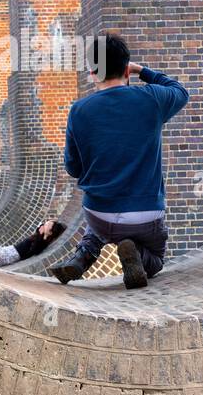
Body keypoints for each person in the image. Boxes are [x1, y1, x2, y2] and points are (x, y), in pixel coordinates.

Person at [51, 34, 188, 289]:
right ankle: (136, 251)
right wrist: (141, 70)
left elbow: (73, 168)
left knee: (102, 204)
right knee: (157, 259)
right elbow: (180, 91)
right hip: (145, 215)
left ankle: (83, 256)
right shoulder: (152, 99)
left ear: (92, 73)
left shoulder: (79, 110)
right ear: (126, 70)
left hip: (99, 216)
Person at [0, 219, 66, 267]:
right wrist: (42, 230)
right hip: (5, 251)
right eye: (44, 223)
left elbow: (35, 250)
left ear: (49, 232)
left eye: (45, 226)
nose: (42, 225)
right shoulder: (38, 236)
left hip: (5, 256)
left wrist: (43, 235)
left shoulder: (41, 242)